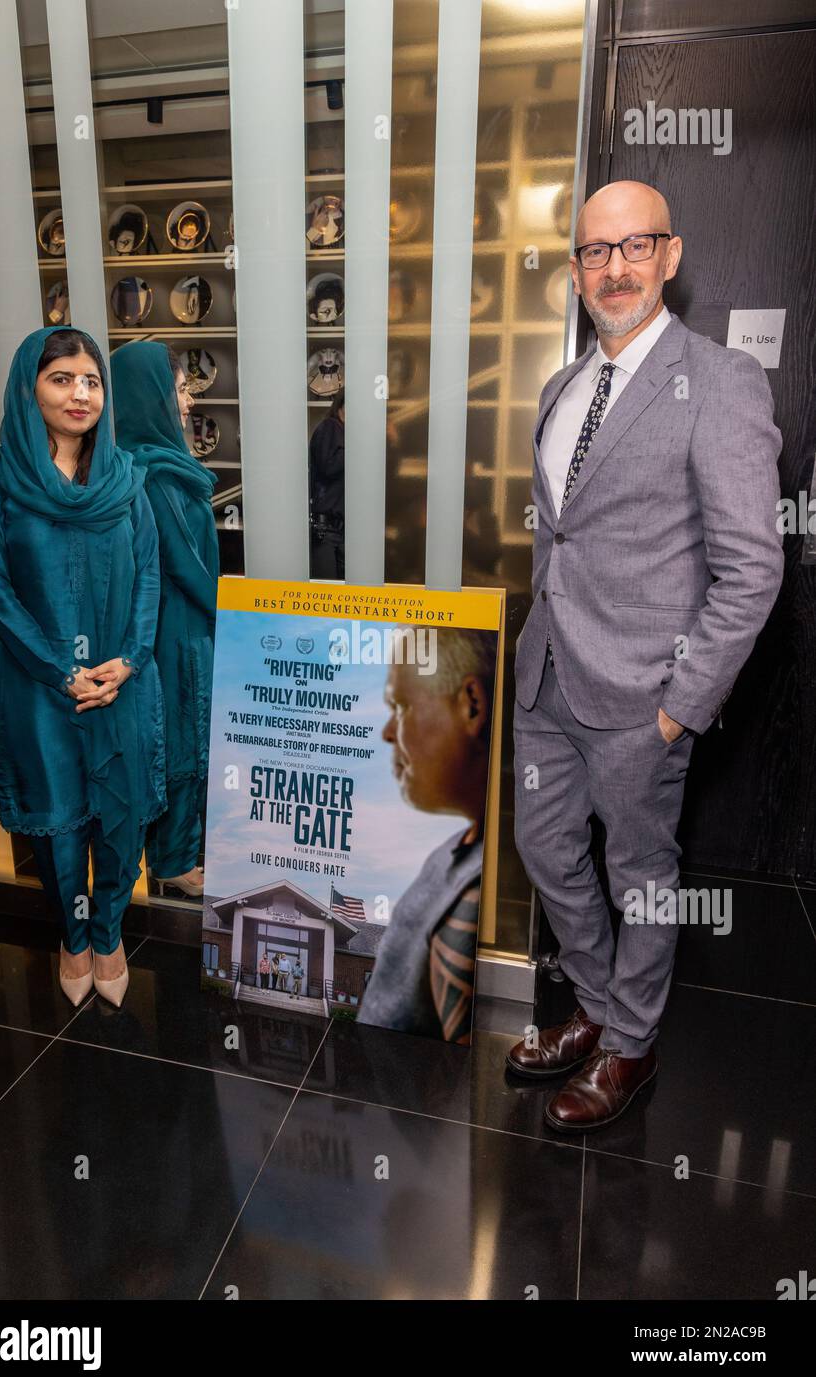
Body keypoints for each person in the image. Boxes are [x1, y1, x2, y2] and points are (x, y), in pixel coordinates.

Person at [506, 181, 784, 1130]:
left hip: (643, 695)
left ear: (670, 256)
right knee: (545, 851)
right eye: (595, 251)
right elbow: (565, 538)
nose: (614, 267)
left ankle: (631, 1044)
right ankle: (593, 1002)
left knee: (643, 878)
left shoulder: (721, 382)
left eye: (636, 247)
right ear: (576, 269)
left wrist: (681, 704)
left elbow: (753, 568)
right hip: (546, 676)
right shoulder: (560, 387)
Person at [0, 326, 167, 1008]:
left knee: (119, 818)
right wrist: (60, 671)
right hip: (40, 690)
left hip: (119, 687)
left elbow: (148, 574)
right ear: (31, 389)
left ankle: (108, 934)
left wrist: (130, 662)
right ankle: (72, 936)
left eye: (91, 381)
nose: (80, 394)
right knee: (58, 824)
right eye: (62, 379)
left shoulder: (127, 482)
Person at [111, 341, 218, 899]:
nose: (187, 400)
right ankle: (174, 859)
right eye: (178, 388)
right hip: (176, 626)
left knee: (182, 735)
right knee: (182, 739)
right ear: (151, 394)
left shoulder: (147, 460)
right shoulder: (153, 474)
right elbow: (182, 563)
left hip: (178, 622)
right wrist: (231, 610)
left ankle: (176, 850)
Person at [357, 628, 497, 1044]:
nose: (387, 732)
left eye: (400, 707)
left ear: (471, 705)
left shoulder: (467, 893)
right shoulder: (453, 855)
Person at [308, 387, 344, 579]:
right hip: (327, 529)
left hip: (342, 528)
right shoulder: (330, 427)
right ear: (341, 406)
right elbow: (328, 466)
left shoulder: (342, 430)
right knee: (328, 592)